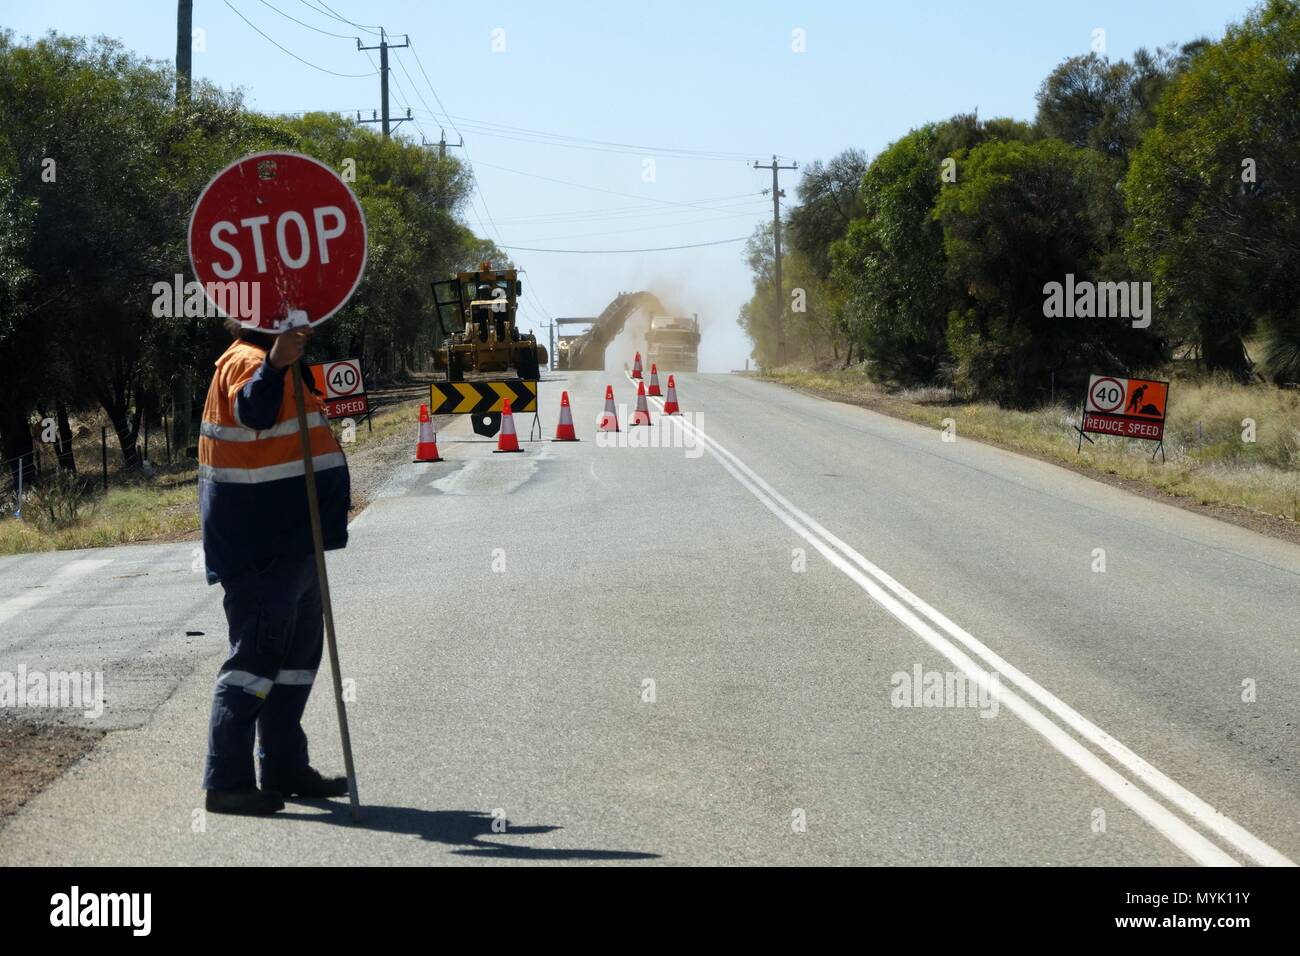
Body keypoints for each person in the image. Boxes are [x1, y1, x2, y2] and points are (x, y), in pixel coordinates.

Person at [198, 320, 351, 815]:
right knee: (254, 664)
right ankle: (226, 782)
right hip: (260, 549)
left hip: (295, 542)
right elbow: (255, 413)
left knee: (295, 663)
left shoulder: (282, 362)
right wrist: (276, 363)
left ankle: (284, 766)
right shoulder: (248, 361)